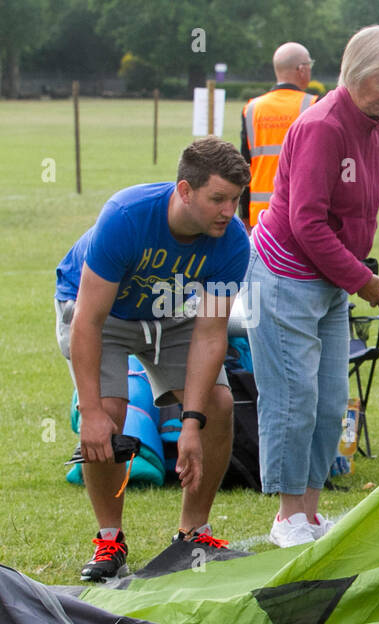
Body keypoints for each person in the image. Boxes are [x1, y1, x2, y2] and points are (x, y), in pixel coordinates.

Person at [245, 24, 379, 548]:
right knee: (295, 397)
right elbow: (307, 223)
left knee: (333, 398)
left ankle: (311, 515)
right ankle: (285, 516)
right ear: (358, 74)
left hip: (330, 278)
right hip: (285, 275)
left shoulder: (373, 121)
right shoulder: (322, 127)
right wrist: (362, 279)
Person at [54, 137, 250, 580]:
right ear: (184, 191)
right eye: (218, 198)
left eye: (235, 200)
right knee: (109, 414)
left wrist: (191, 424)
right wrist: (88, 412)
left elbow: (210, 333)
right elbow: (88, 321)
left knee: (217, 406)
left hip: (172, 311)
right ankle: (109, 541)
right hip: (102, 313)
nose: (228, 211)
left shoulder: (233, 242)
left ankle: (193, 534)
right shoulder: (127, 216)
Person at [240, 41, 318, 228]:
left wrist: (243, 213)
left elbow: (243, 164)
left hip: (258, 214)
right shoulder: (314, 106)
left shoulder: (251, 108)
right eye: (309, 65)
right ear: (301, 70)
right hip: (298, 212)